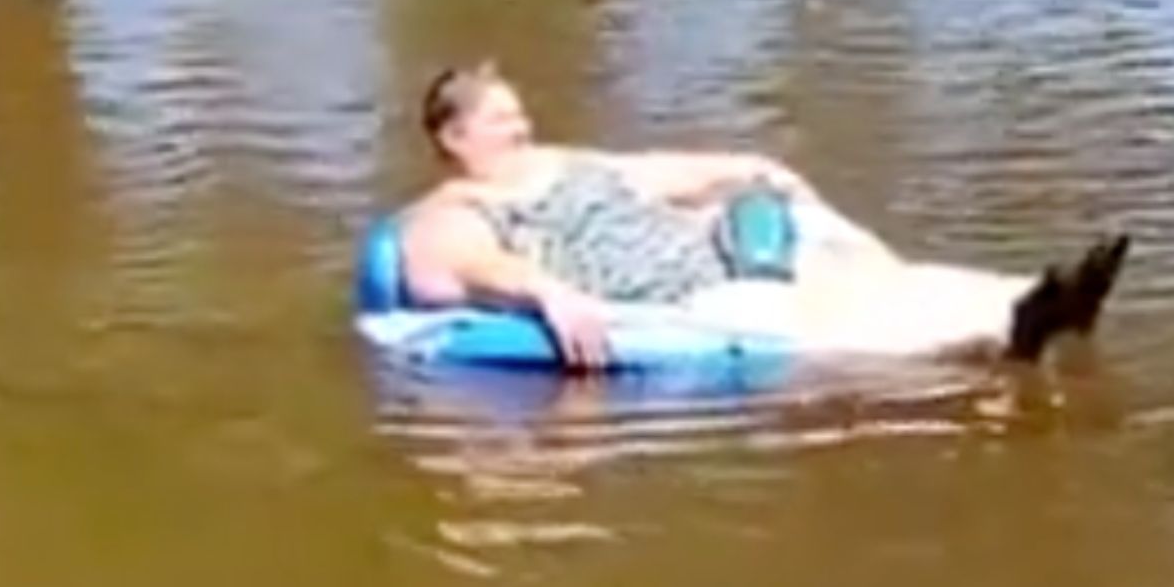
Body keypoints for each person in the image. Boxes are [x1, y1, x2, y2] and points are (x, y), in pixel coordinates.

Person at [393, 61, 1128, 371]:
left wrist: (747, 166)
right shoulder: (452, 211)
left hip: (724, 240)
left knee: (868, 270)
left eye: (519, 115)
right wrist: (548, 292)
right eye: (500, 122)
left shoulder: (565, 162)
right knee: (833, 311)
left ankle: (1031, 295)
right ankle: (1008, 328)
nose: (520, 130)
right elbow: (468, 269)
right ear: (452, 139)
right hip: (686, 292)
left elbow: (654, 172)